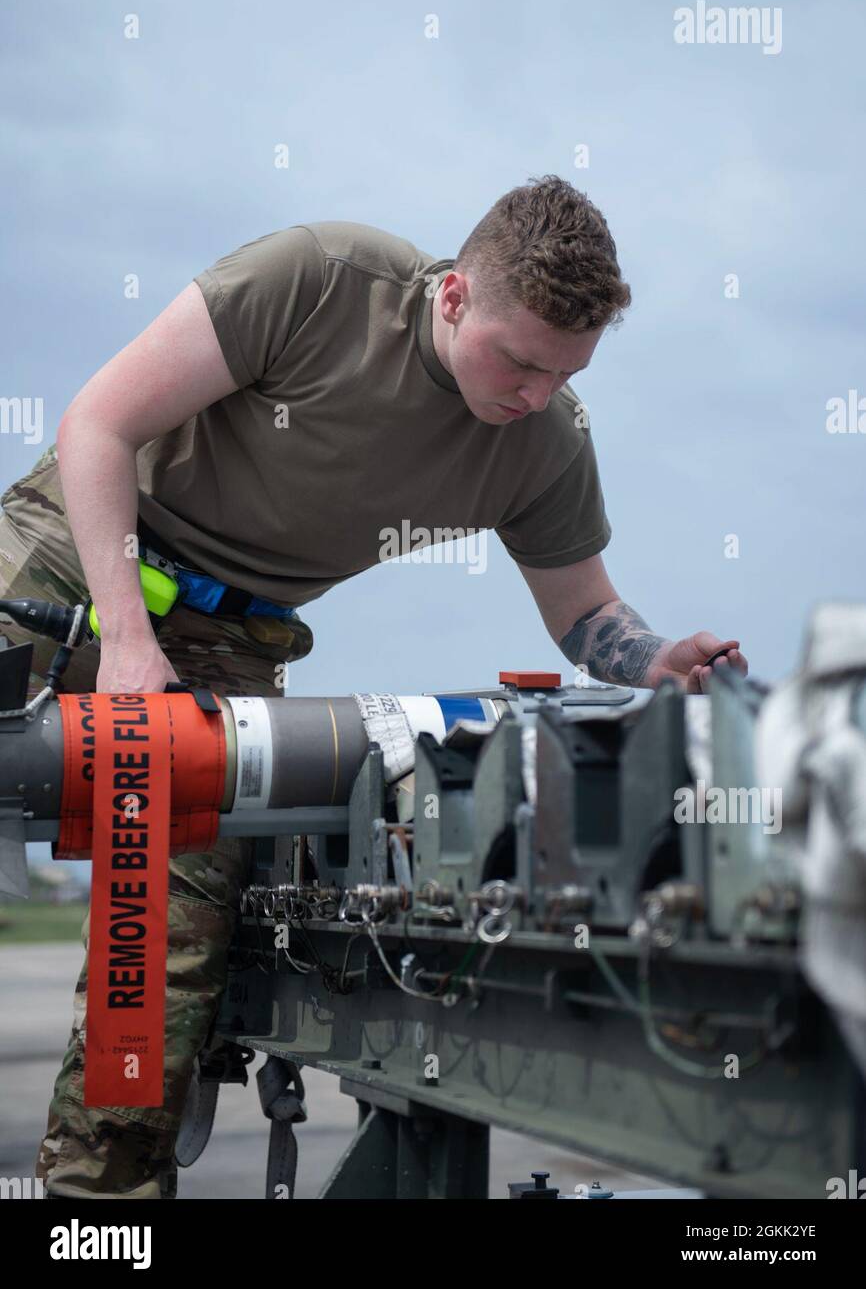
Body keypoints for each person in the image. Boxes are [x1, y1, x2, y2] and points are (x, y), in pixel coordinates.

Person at [0, 172, 747, 1198]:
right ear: (450, 298)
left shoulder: (543, 438)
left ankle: (96, 1211)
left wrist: (650, 657)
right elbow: (97, 426)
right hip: (77, 546)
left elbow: (584, 615)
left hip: (230, 634)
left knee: (171, 937)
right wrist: (126, 641)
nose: (532, 392)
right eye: (519, 359)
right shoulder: (318, 278)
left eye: (562, 371)